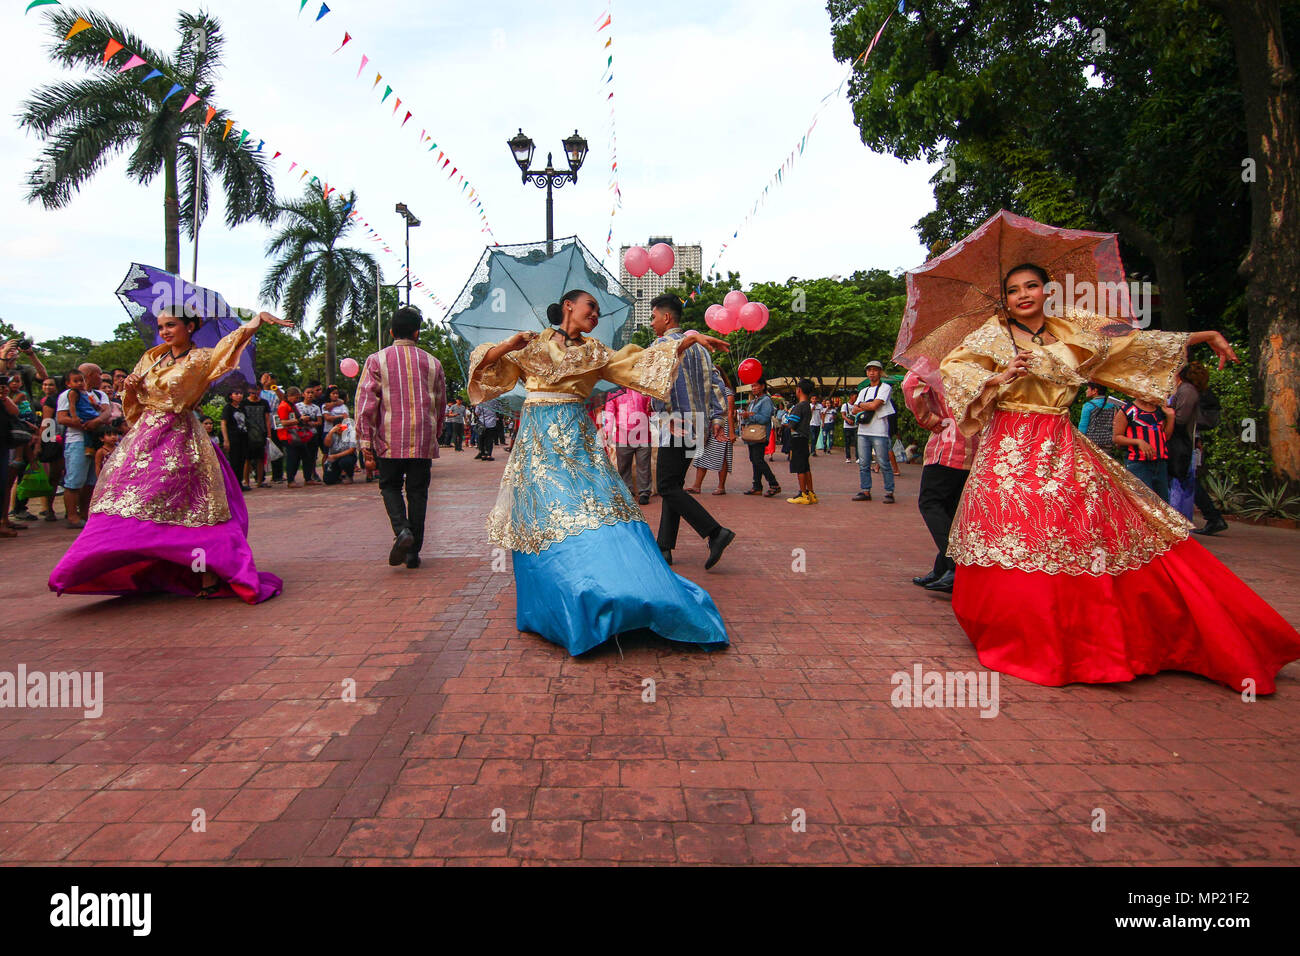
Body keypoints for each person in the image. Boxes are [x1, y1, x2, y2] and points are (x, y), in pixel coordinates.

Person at [938, 261, 1300, 692]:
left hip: (1057, 443)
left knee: (1081, 533)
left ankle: (1089, 635)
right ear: (1006, 299)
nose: (1023, 295)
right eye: (1013, 290)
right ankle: (1018, 631)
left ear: (1047, 291)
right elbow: (953, 369)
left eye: (1031, 286)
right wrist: (998, 376)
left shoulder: (1075, 332)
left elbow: (1133, 344)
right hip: (1006, 451)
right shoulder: (991, 335)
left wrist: (1202, 336)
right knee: (1009, 533)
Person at [468, 288, 730, 656]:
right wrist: (508, 344)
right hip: (536, 446)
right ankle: (561, 605)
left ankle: (620, 592)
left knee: (598, 510)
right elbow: (486, 369)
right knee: (543, 518)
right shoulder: (531, 345)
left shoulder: (595, 352)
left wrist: (688, 340)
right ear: (568, 306)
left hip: (577, 442)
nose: (595, 314)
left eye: (597, 310)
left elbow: (639, 363)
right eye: (591, 306)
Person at [48, 309, 289, 602]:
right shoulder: (152, 358)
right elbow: (134, 405)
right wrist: (131, 390)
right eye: (161, 326)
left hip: (182, 436)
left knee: (193, 506)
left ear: (190, 326)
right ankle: (103, 565)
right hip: (145, 438)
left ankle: (208, 572)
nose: (164, 331)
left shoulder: (200, 359)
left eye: (171, 325)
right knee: (128, 498)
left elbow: (228, 347)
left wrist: (255, 322)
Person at [649, 294, 737, 569]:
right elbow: (716, 385)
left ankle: (714, 532)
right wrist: (717, 419)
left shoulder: (662, 345)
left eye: (653, 317)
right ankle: (664, 547)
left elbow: (654, 385)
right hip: (699, 425)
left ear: (666, 317)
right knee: (673, 485)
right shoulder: (701, 349)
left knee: (666, 486)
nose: (652, 323)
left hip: (676, 423)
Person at [355, 305, 447, 569]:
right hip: (422, 439)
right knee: (418, 493)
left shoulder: (376, 360)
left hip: (388, 439)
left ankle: (402, 531)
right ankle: (412, 552)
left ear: (392, 331)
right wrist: (435, 434)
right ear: (417, 333)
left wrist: (365, 441)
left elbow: (366, 404)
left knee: (390, 486)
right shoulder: (433, 363)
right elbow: (440, 404)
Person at [902, 368, 978, 594]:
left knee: (930, 502)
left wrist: (928, 419)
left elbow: (910, 385)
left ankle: (954, 565)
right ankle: (943, 567)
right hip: (975, 443)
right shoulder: (980, 359)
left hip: (948, 441)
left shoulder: (940, 359)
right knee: (952, 509)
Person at [55, 366, 111, 528]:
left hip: (96, 440)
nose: (101, 378)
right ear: (90, 375)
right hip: (76, 440)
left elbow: (107, 413)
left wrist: (97, 421)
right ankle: (72, 516)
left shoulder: (99, 395)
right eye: (99, 375)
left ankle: (84, 513)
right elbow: (62, 417)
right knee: (75, 479)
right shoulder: (68, 395)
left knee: (91, 480)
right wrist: (83, 424)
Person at [687, 365, 737, 495]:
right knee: (701, 456)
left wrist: (731, 433)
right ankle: (696, 485)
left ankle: (721, 486)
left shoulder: (726, 391)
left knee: (723, 457)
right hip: (708, 427)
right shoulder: (706, 391)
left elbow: (730, 413)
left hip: (723, 427)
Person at [1113, 395, 1174, 501]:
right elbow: (1117, 437)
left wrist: (1171, 417)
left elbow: (1166, 436)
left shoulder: (1159, 411)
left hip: (1160, 464)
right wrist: (1138, 442)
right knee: (1144, 503)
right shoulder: (1127, 410)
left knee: (1163, 504)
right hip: (1138, 464)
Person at [850, 360, 895, 503]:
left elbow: (875, 405)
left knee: (883, 462)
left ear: (880, 372)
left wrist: (863, 405)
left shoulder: (885, 387)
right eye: (869, 370)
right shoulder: (863, 391)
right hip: (863, 431)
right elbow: (854, 409)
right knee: (863, 463)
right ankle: (865, 490)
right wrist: (867, 405)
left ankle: (889, 491)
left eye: (875, 370)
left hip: (879, 430)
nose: (872, 373)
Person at [602, 385, 653, 505]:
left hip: (643, 434)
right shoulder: (614, 392)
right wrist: (607, 431)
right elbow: (609, 412)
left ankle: (644, 492)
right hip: (623, 436)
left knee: (644, 466)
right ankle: (627, 491)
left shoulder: (644, 389)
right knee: (624, 466)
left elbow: (651, 410)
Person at [739, 377, 781, 497]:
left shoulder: (766, 400)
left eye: (756, 386)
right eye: (752, 386)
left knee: (758, 460)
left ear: (763, 386)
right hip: (752, 435)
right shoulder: (753, 402)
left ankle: (774, 484)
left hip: (760, 434)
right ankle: (757, 486)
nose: (753, 388)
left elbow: (765, 418)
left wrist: (750, 416)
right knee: (754, 460)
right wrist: (746, 416)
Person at [785, 378, 818, 504]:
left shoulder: (799, 406)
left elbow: (791, 423)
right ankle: (811, 492)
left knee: (799, 467)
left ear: (799, 390)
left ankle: (803, 493)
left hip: (797, 438)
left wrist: (787, 420)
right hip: (804, 438)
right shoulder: (807, 406)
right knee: (805, 467)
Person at [220, 385, 251, 491]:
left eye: (241, 393)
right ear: (231, 396)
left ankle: (239, 483)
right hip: (233, 438)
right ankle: (233, 485)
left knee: (242, 461)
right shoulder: (228, 408)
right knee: (234, 461)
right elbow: (223, 423)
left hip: (243, 437)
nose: (239, 396)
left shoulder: (242, 408)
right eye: (236, 394)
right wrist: (226, 439)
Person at [241, 384, 272, 489]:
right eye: (253, 390)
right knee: (247, 459)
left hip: (261, 433)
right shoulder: (244, 403)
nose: (255, 393)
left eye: (257, 390)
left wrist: (268, 433)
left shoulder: (264, 403)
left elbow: (267, 419)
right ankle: (246, 481)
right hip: (248, 434)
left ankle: (260, 481)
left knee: (260, 458)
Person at [322, 417, 358, 485]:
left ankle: (349, 475)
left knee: (345, 461)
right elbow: (327, 444)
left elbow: (351, 450)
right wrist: (331, 432)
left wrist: (336, 456)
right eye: (338, 427)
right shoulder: (331, 434)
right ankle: (337, 476)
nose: (340, 429)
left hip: (346, 456)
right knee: (328, 481)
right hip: (333, 458)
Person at [840, 392, 858, 462]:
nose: (856, 398)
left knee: (857, 442)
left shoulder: (856, 406)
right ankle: (848, 457)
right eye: (855, 396)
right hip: (847, 426)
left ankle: (857, 457)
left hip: (855, 425)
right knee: (847, 442)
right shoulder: (845, 405)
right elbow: (843, 415)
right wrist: (848, 420)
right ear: (851, 396)